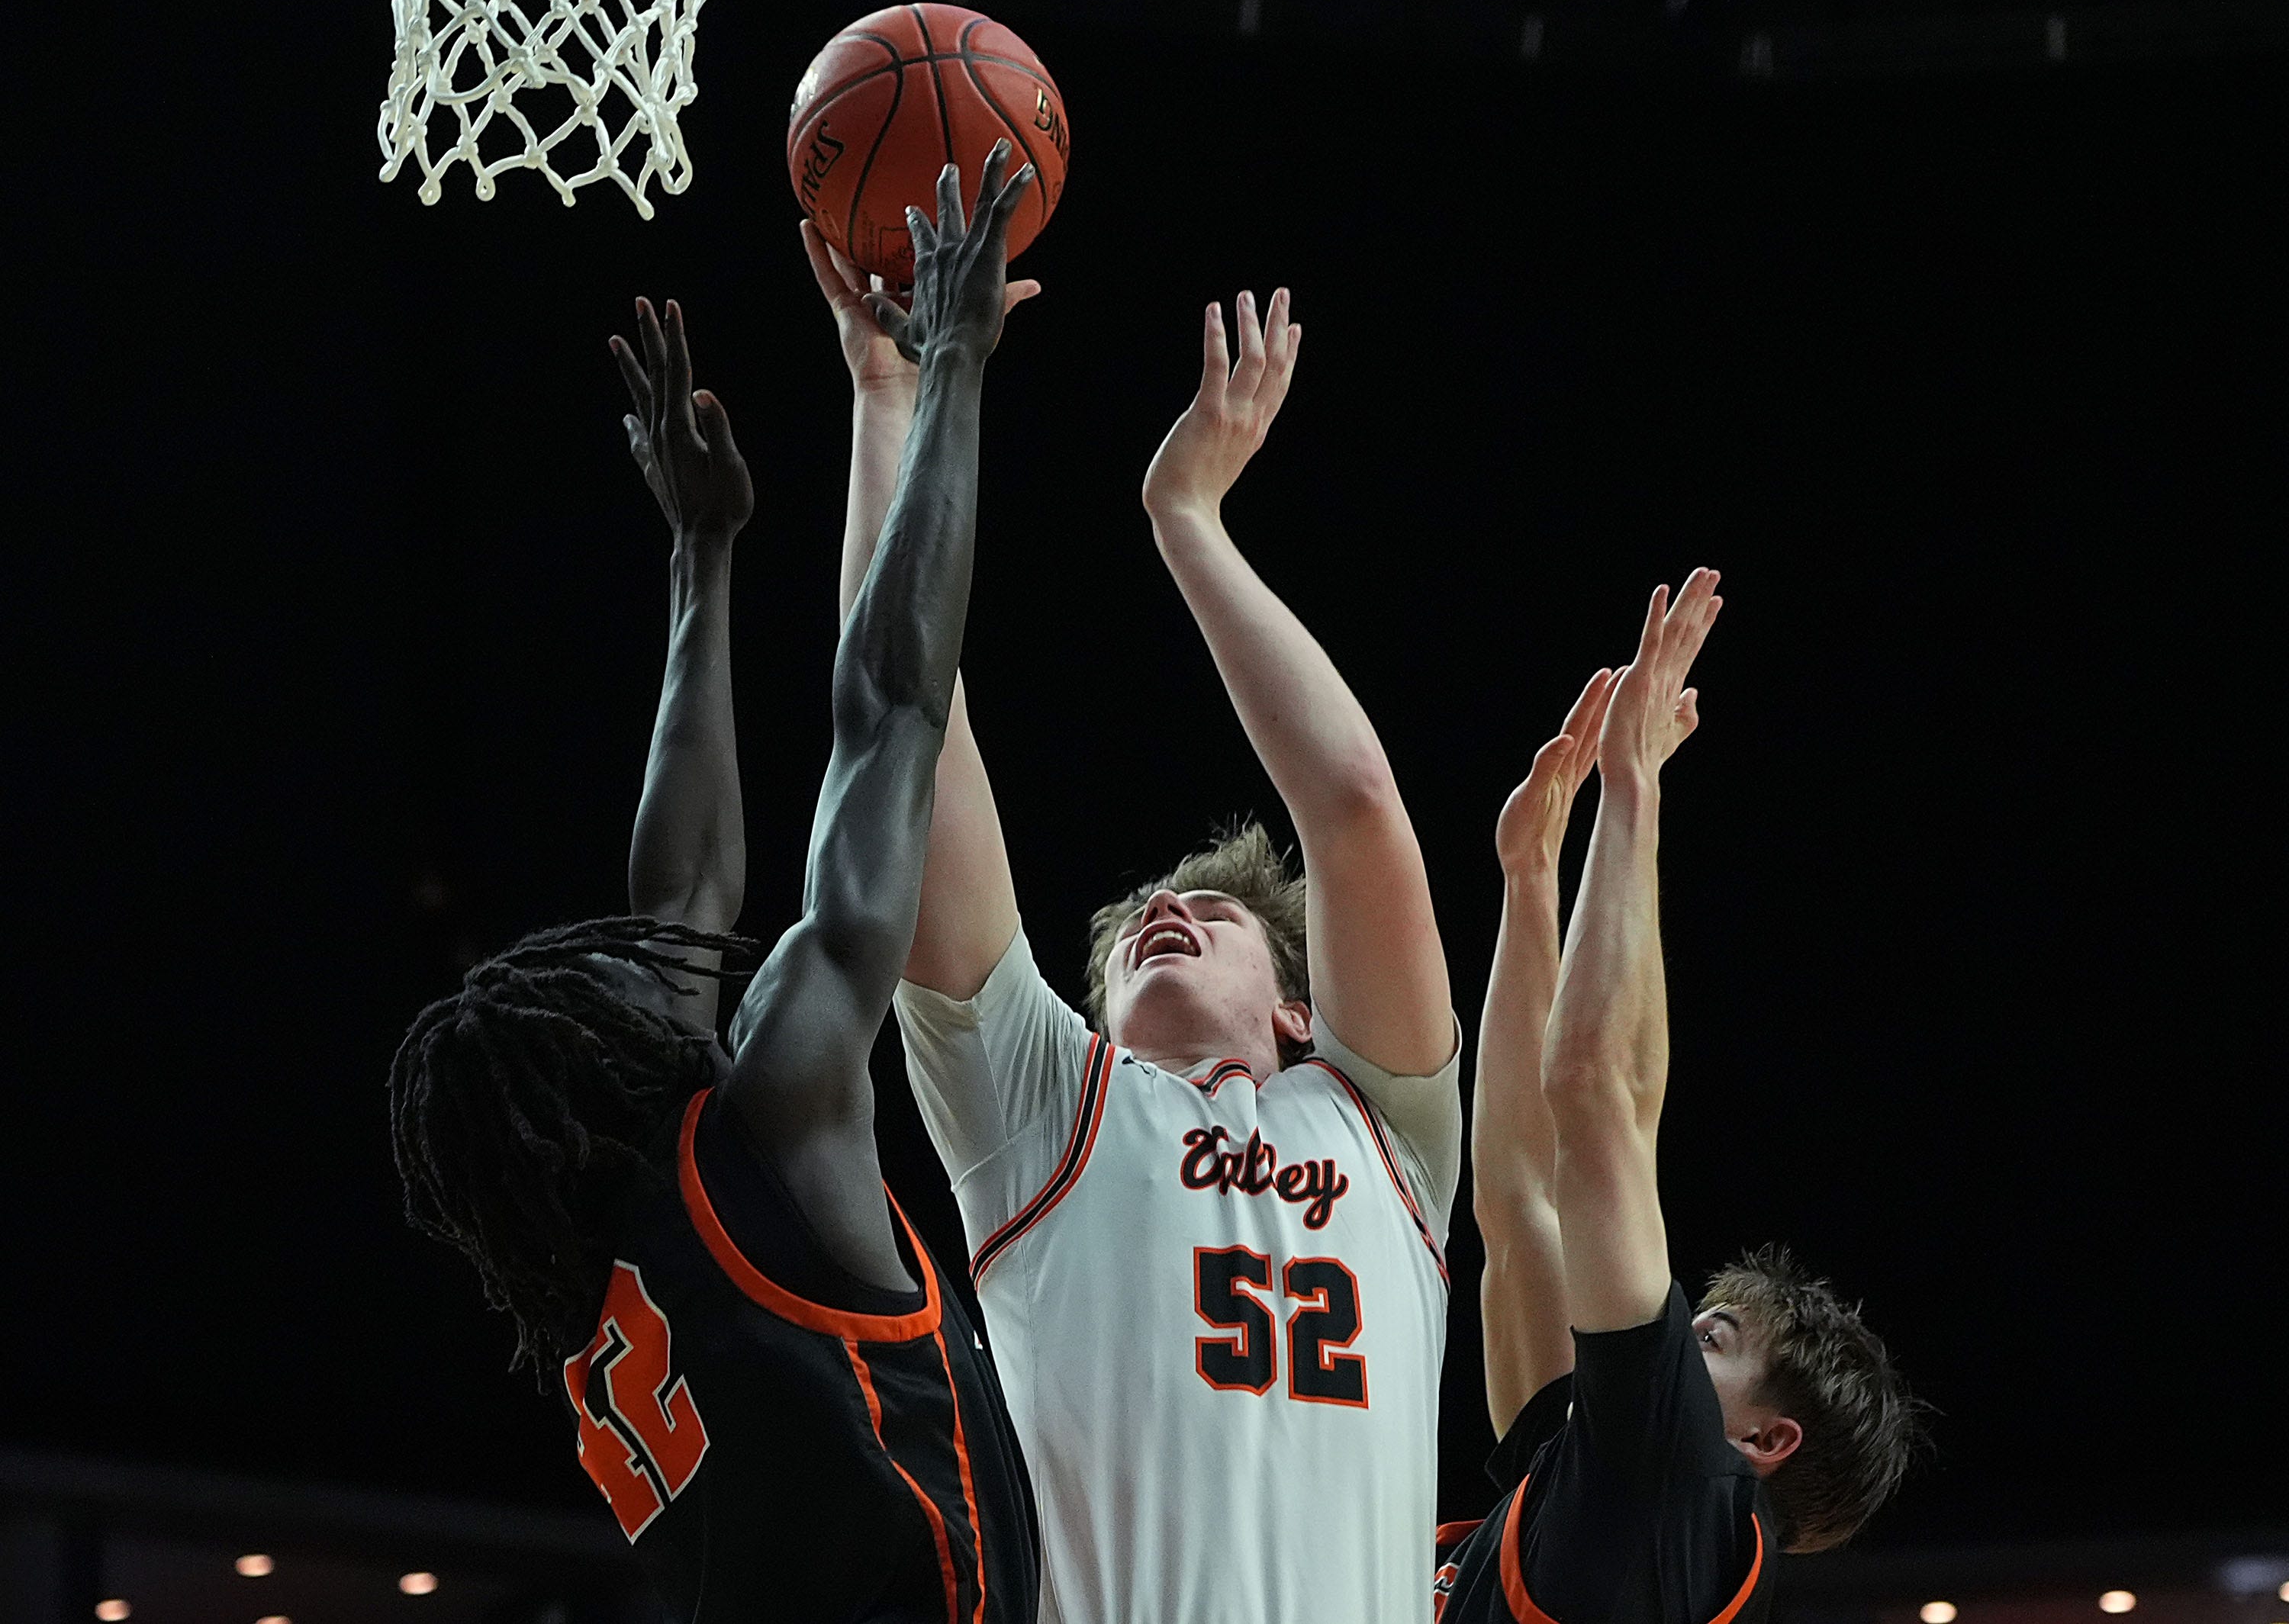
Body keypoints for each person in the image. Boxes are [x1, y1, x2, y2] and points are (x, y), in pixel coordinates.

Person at [388, 149, 1043, 1624]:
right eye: (618, 986)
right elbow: (892, 713)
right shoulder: (777, 1101)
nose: (647, 965)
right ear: (609, 1062)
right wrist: (953, 374)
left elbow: (679, 887)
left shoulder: (598, 1302)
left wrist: (703, 557)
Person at [805, 242, 1459, 1622]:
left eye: (1212, 911)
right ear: (1091, 1011)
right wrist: (887, 405)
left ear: (1301, 1007)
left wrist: (1188, 519)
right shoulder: (1048, 1106)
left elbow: (1351, 805)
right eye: (1135, 930)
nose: (1166, 910)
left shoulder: (1383, 1124)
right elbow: (904, 736)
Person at [1437, 569, 1929, 1623]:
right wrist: (1530, 876)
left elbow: (1596, 1089)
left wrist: (1636, 786)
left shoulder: (1685, 1495)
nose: (1668, 1337)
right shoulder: (1611, 1503)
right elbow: (1519, 1199)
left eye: (1710, 1340)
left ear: (1763, 1441)